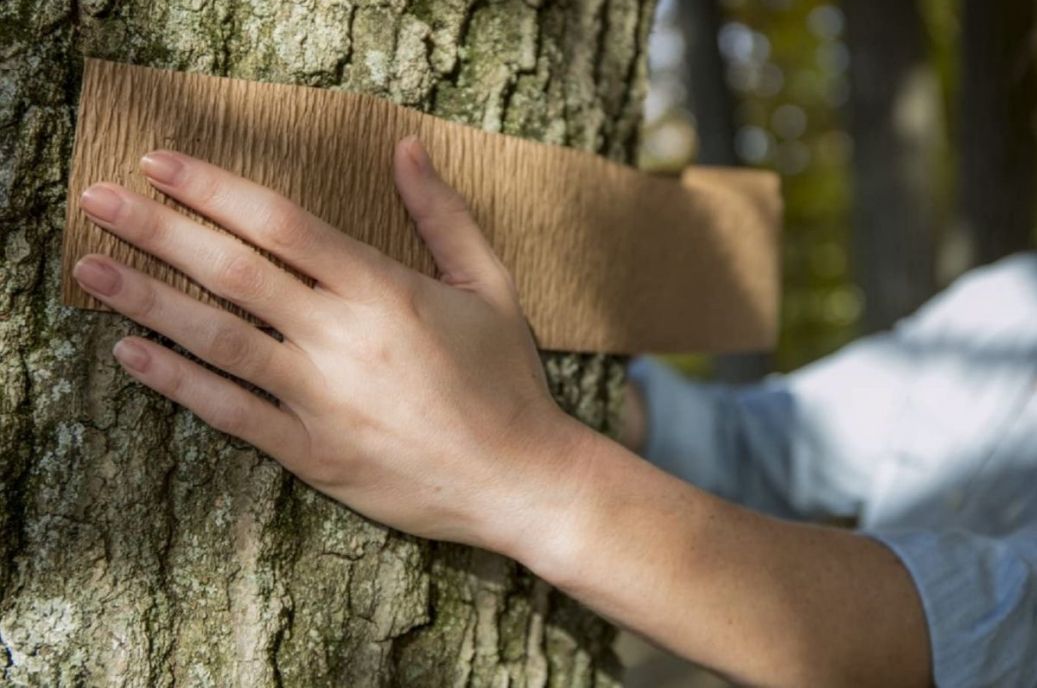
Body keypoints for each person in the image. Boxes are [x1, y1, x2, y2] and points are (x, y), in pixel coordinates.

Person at [69, 138, 1034, 687]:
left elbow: (992, 635)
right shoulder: (1017, 305)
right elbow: (771, 449)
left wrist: (522, 469)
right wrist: (521, 382)